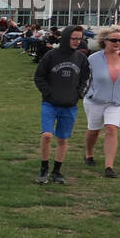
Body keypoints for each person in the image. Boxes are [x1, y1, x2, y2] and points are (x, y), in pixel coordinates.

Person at [33, 25, 91, 184]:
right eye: (74, 38)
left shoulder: (81, 58)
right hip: (50, 104)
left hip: (70, 105)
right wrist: (48, 93)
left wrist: (78, 95)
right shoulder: (51, 55)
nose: (77, 42)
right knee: (46, 135)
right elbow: (39, 77)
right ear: (66, 38)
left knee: (63, 139)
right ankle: (43, 168)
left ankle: (57, 171)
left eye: (80, 39)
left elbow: (86, 79)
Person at [82, 26, 120, 178]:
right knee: (94, 130)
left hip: (118, 101)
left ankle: (109, 166)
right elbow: (86, 79)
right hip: (95, 101)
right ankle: (89, 154)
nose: (117, 43)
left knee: (112, 129)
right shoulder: (93, 58)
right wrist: (91, 93)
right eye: (114, 40)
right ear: (104, 41)